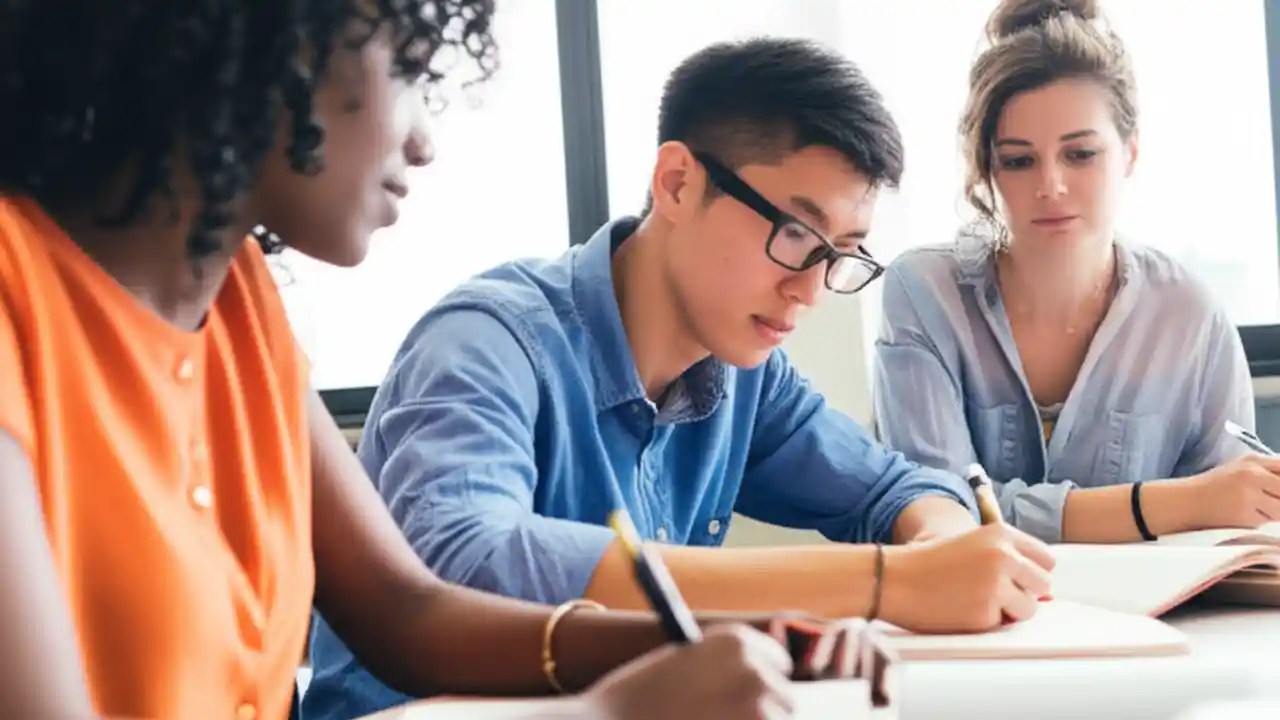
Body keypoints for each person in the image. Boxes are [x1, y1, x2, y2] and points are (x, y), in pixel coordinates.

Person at [0, 4, 862, 719]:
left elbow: (407, 613)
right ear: (269, 43)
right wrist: (610, 710)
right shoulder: (15, 306)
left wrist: (710, 635)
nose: (422, 143)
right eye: (408, 72)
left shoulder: (242, 306)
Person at [306, 35, 1056, 719]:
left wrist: (948, 546)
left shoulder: (745, 374)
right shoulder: (487, 341)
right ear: (675, 183)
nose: (813, 289)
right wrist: (885, 584)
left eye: (842, 254)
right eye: (796, 234)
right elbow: (466, 561)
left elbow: (895, 489)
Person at [873, 0, 1268, 545]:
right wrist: (1175, 503)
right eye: (1018, 160)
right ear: (988, 168)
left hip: (1159, 620)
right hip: (970, 623)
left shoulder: (1189, 314)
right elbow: (939, 514)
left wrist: (1225, 503)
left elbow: (1233, 525)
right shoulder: (924, 293)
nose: (1050, 186)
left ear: (1129, 153)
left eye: (1080, 154)